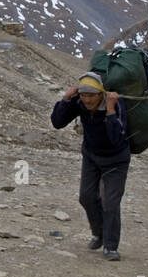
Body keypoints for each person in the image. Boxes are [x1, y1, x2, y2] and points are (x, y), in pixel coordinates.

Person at [51, 72, 130, 260]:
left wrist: (110, 111)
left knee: (110, 203)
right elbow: (57, 123)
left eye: (91, 95)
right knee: (86, 197)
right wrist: (65, 99)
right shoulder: (79, 103)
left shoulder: (116, 105)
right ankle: (99, 234)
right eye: (84, 95)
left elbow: (117, 139)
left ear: (101, 94)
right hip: (91, 157)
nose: (87, 100)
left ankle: (110, 247)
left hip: (116, 161)